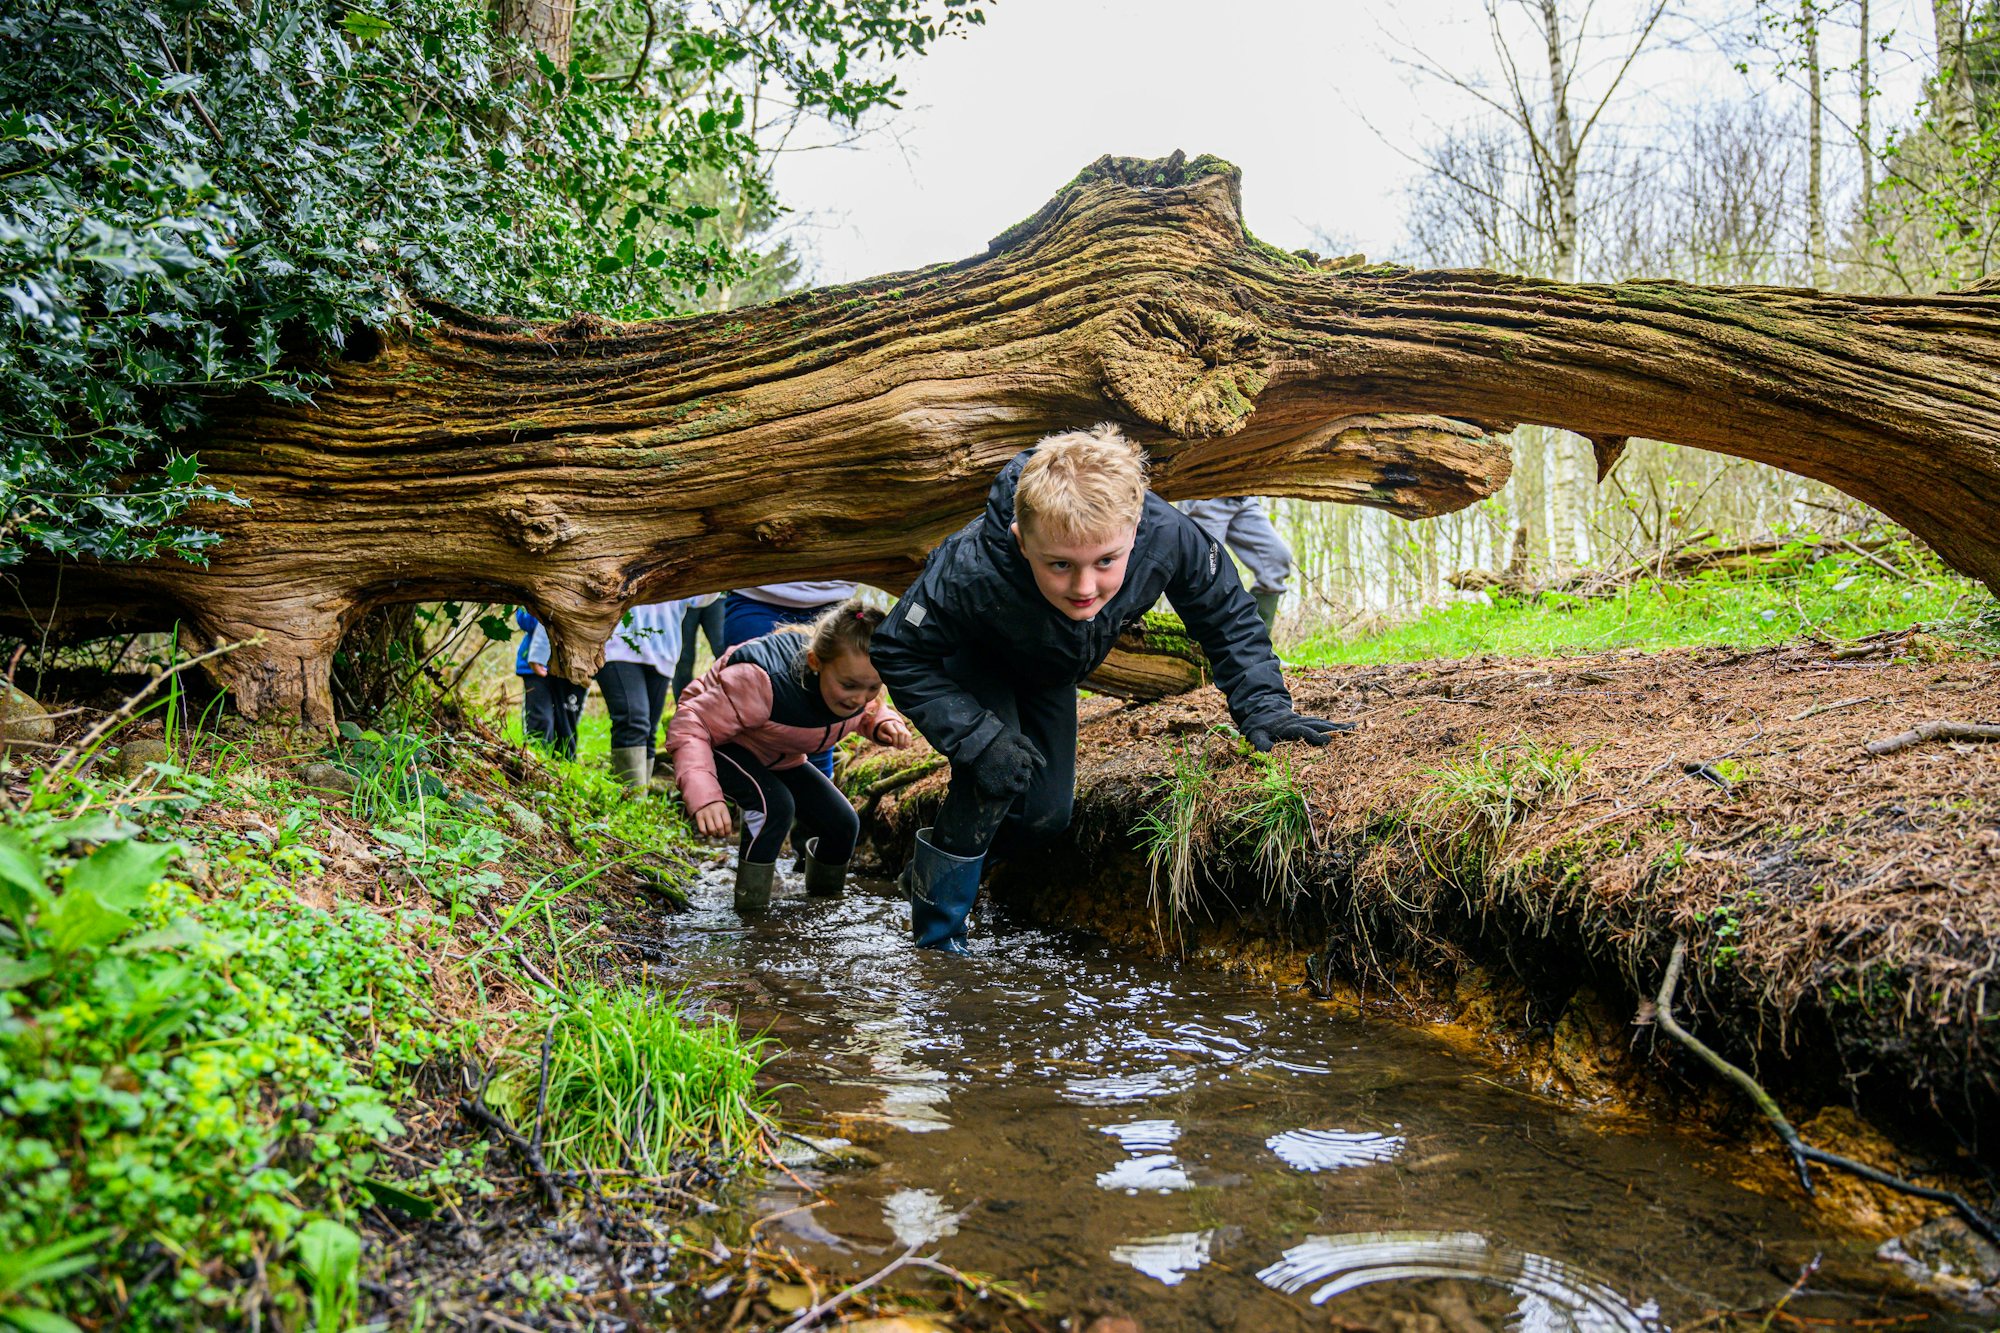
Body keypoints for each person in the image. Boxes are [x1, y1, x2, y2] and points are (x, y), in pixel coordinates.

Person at [870, 424, 1350, 953]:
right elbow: (897, 648)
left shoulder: (1166, 534)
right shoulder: (967, 567)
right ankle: (938, 946)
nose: (1084, 587)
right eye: (1059, 565)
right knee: (995, 778)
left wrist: (1265, 708)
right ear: (1019, 539)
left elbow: (1227, 616)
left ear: (1135, 527)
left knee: (1046, 818)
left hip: (1051, 669)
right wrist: (979, 738)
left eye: (1105, 561)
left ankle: (938, 865)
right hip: (975, 659)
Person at [667, 598, 913, 913]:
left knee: (842, 823)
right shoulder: (760, 682)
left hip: (776, 752)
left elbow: (869, 710)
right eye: (850, 685)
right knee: (775, 807)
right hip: (717, 744)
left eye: (873, 687)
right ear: (816, 663)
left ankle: (825, 908)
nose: (860, 698)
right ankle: (751, 912)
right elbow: (690, 725)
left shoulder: (856, 690)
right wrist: (706, 796)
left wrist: (884, 723)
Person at [528, 597, 708, 787]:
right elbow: (569, 588)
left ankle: (640, 804)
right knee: (633, 719)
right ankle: (631, 799)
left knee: (649, 730)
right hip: (614, 645)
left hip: (663, 647)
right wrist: (542, 645)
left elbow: (702, 596)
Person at [720, 581, 858, 778]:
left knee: (823, 710)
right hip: (756, 594)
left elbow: (859, 696)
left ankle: (819, 797)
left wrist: (880, 721)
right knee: (750, 710)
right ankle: (752, 798)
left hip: (834, 599)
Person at [1178, 497, 1293, 636]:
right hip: (1208, 498)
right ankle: (1200, 646)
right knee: (1207, 574)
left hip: (1245, 498)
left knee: (1276, 559)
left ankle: (1256, 645)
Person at [672, 597, 726, 700]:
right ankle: (685, 709)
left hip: (716, 595)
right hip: (683, 598)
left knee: (724, 653)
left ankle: (733, 706)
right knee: (683, 659)